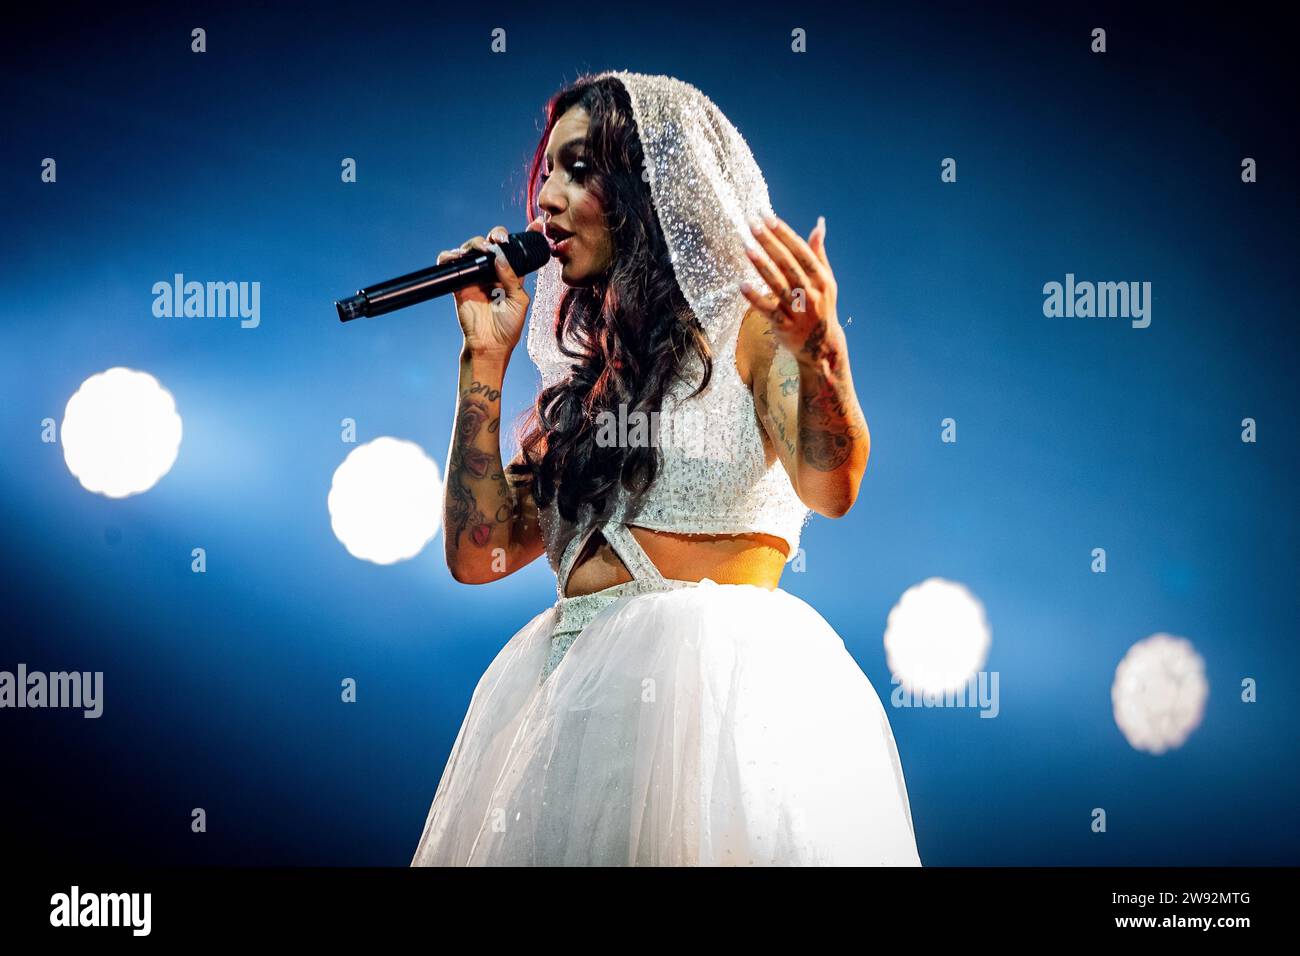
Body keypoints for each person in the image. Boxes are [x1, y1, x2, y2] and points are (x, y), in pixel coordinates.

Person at [411, 71, 921, 866]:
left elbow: (833, 485)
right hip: (569, 716)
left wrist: (822, 353)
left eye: (578, 170)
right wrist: (482, 361)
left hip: (711, 705)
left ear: (645, 188)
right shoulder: (581, 389)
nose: (546, 197)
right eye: (546, 170)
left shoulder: (748, 331)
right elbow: (478, 555)